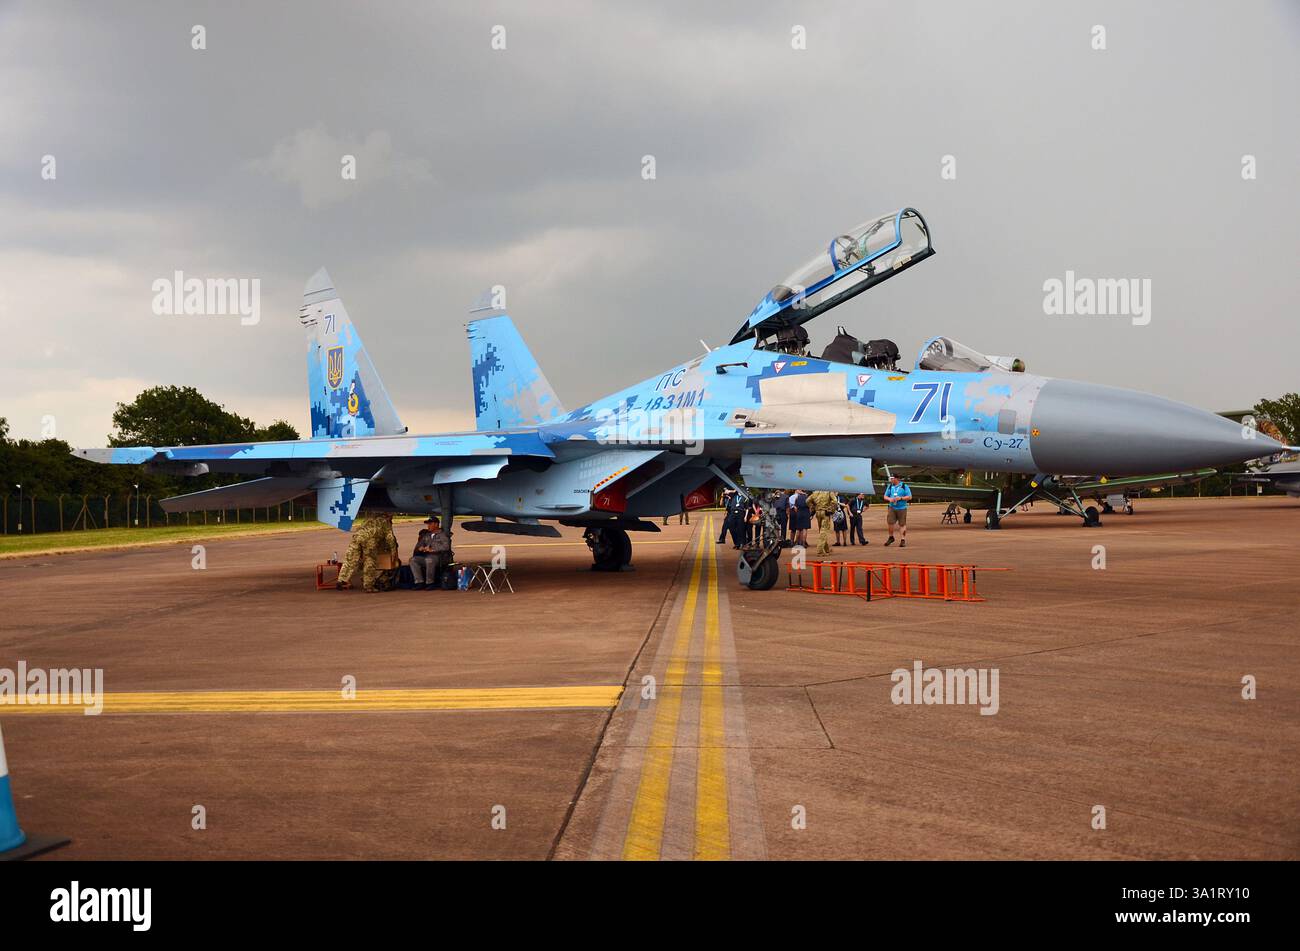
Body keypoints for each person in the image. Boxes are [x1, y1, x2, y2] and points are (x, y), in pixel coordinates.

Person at [337, 510, 400, 592]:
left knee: (350, 558)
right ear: (388, 516)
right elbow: (390, 539)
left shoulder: (369, 518)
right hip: (369, 540)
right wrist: (393, 553)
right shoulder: (385, 522)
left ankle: (342, 579)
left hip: (357, 536)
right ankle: (369, 586)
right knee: (370, 562)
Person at [410, 515, 452, 589]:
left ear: (436, 524)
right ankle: (419, 582)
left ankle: (430, 583)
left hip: (439, 557)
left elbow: (446, 547)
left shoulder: (442, 535)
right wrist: (421, 548)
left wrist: (433, 549)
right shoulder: (426, 535)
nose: (428, 526)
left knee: (429, 560)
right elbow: (418, 546)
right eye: (428, 524)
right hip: (427, 556)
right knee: (413, 560)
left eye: (430, 524)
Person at [883, 474, 912, 548]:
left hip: (902, 508)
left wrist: (901, 498)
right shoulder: (890, 486)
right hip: (892, 507)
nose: (891, 480)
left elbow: (910, 497)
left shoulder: (904, 486)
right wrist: (889, 499)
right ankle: (891, 537)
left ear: (897, 479)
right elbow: (885, 496)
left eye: (892, 478)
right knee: (890, 523)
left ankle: (903, 540)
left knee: (902, 524)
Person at [808, 489, 837, 556]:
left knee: (822, 531)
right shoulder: (829, 491)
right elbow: (835, 501)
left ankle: (826, 549)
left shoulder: (815, 492)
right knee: (824, 532)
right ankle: (820, 550)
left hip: (818, 513)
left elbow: (807, 501)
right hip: (825, 513)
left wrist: (813, 509)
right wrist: (831, 510)